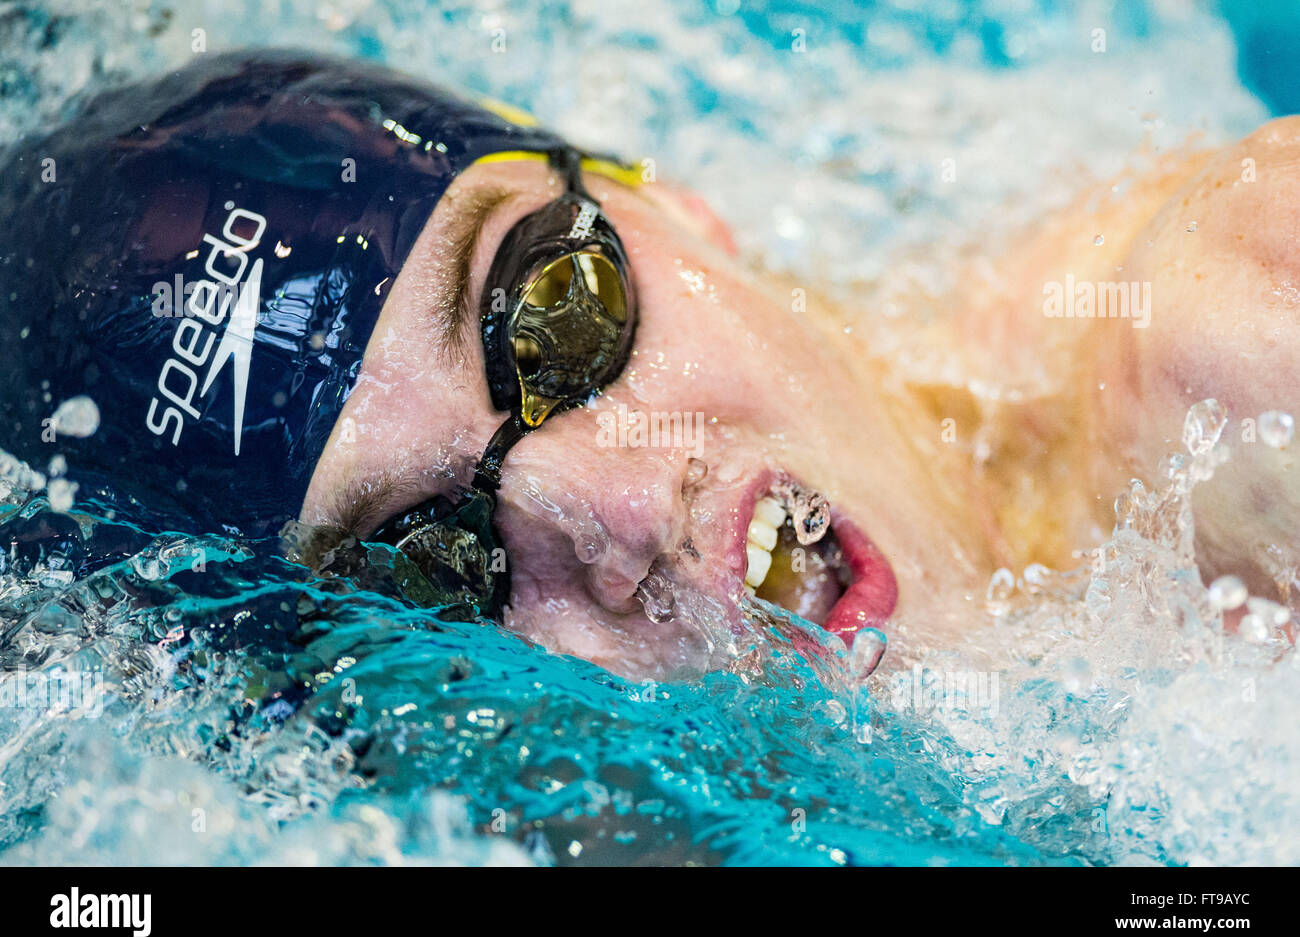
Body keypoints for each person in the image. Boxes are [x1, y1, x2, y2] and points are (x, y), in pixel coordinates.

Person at [1, 49, 1295, 677]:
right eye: (439, 559)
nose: (609, 513)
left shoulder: (1239, 346)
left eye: (558, 310)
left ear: (671, 203)